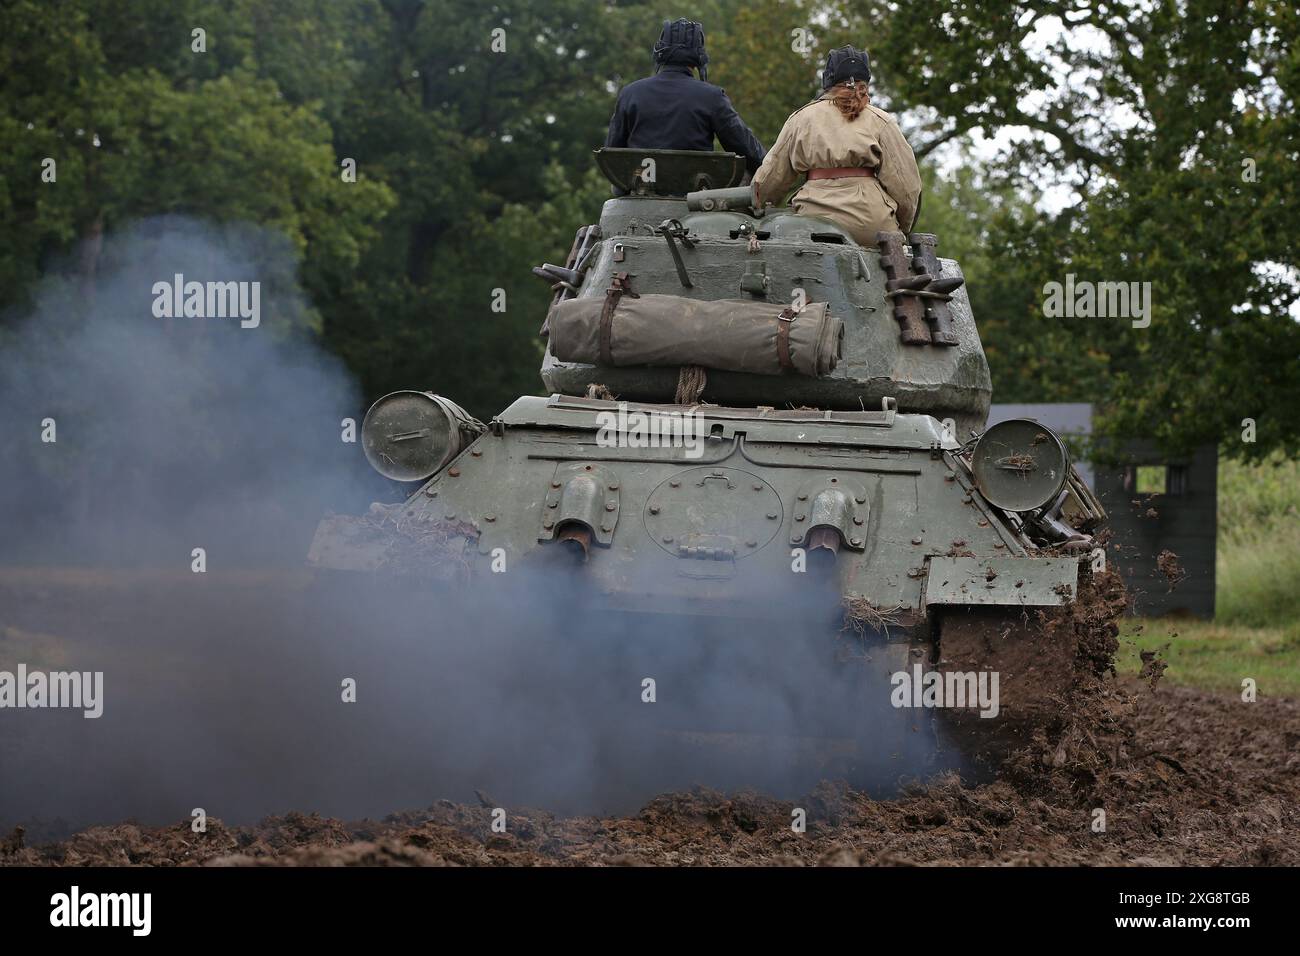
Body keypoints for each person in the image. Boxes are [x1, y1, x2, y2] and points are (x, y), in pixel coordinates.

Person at [752, 46, 922, 245]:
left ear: (828, 80)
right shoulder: (881, 120)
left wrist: (756, 209)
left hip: (812, 224)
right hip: (871, 227)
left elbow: (771, 178)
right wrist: (901, 227)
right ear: (865, 82)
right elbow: (907, 186)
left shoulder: (801, 119)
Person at [605, 18, 766, 174]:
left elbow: (611, 154)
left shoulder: (630, 93)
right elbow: (747, 150)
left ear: (660, 52)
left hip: (638, 192)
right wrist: (770, 165)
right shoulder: (712, 97)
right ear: (699, 58)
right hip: (695, 196)